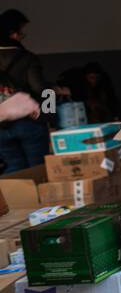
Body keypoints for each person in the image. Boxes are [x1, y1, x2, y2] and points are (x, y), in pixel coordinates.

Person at [0, 9, 67, 172]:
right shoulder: (27, 58)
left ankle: (18, 197)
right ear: (12, 33)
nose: (23, 35)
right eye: (21, 31)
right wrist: (50, 115)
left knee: (14, 172)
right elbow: (41, 88)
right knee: (39, 169)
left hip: (1, 125)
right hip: (28, 123)